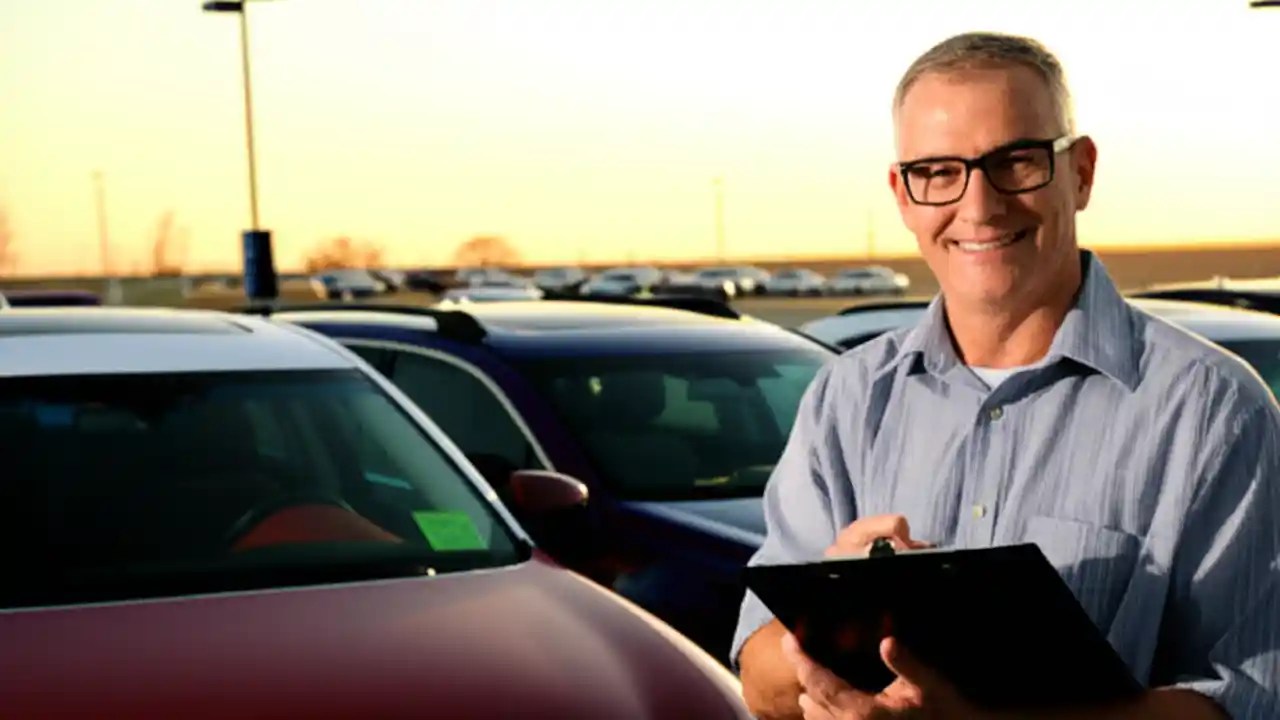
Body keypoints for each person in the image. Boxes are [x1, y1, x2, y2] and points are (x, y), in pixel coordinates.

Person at [733, 31, 1280, 720]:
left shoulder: (1212, 411)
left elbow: (1253, 699)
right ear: (903, 195)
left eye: (1016, 162)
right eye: (938, 171)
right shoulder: (848, 399)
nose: (981, 205)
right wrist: (823, 611)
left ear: (1080, 172)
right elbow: (757, 676)